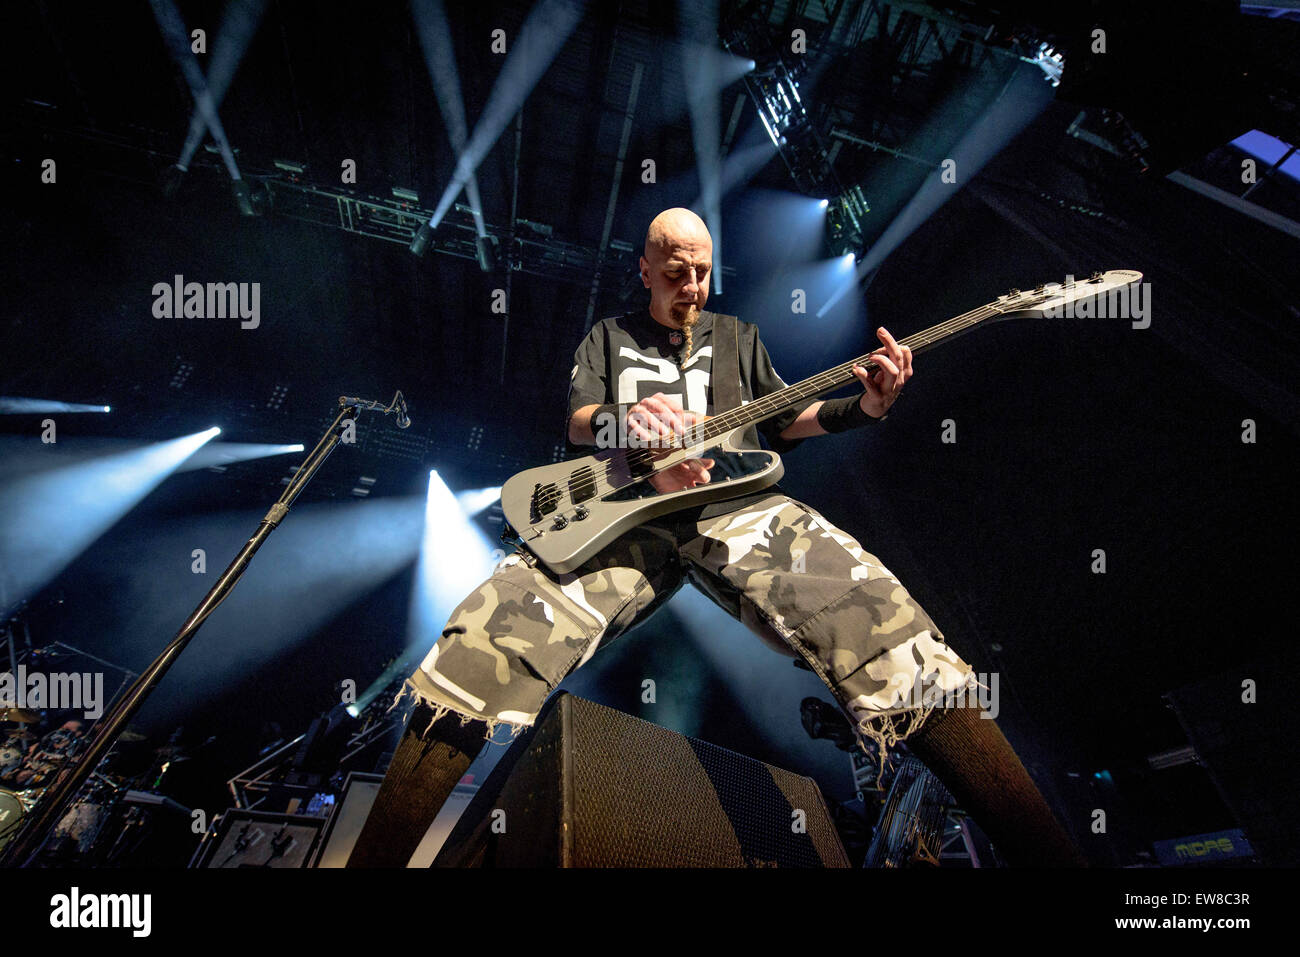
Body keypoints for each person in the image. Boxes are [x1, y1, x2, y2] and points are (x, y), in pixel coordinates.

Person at [347, 208, 1085, 868]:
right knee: (486, 641)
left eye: (702, 272)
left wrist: (864, 405)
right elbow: (576, 420)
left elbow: (784, 418)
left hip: (730, 503)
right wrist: (625, 423)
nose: (692, 285)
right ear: (644, 269)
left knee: (874, 611)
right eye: (675, 272)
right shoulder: (610, 336)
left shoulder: (738, 338)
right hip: (623, 508)